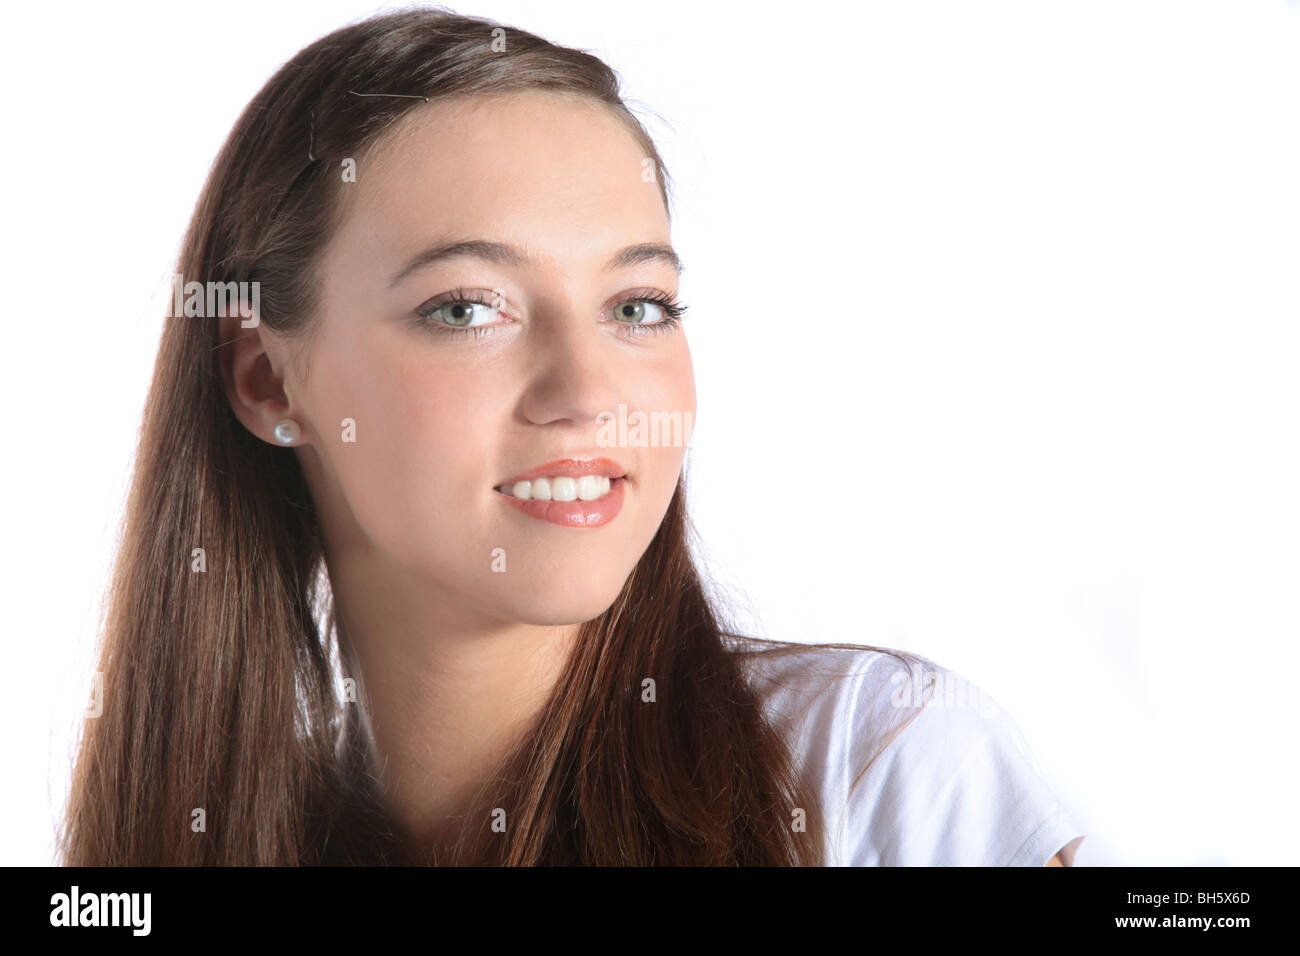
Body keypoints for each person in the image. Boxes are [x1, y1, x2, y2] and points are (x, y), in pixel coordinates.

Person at [59, 7, 1084, 866]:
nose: (590, 392)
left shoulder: (878, 771)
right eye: (468, 307)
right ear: (265, 375)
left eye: (638, 305)